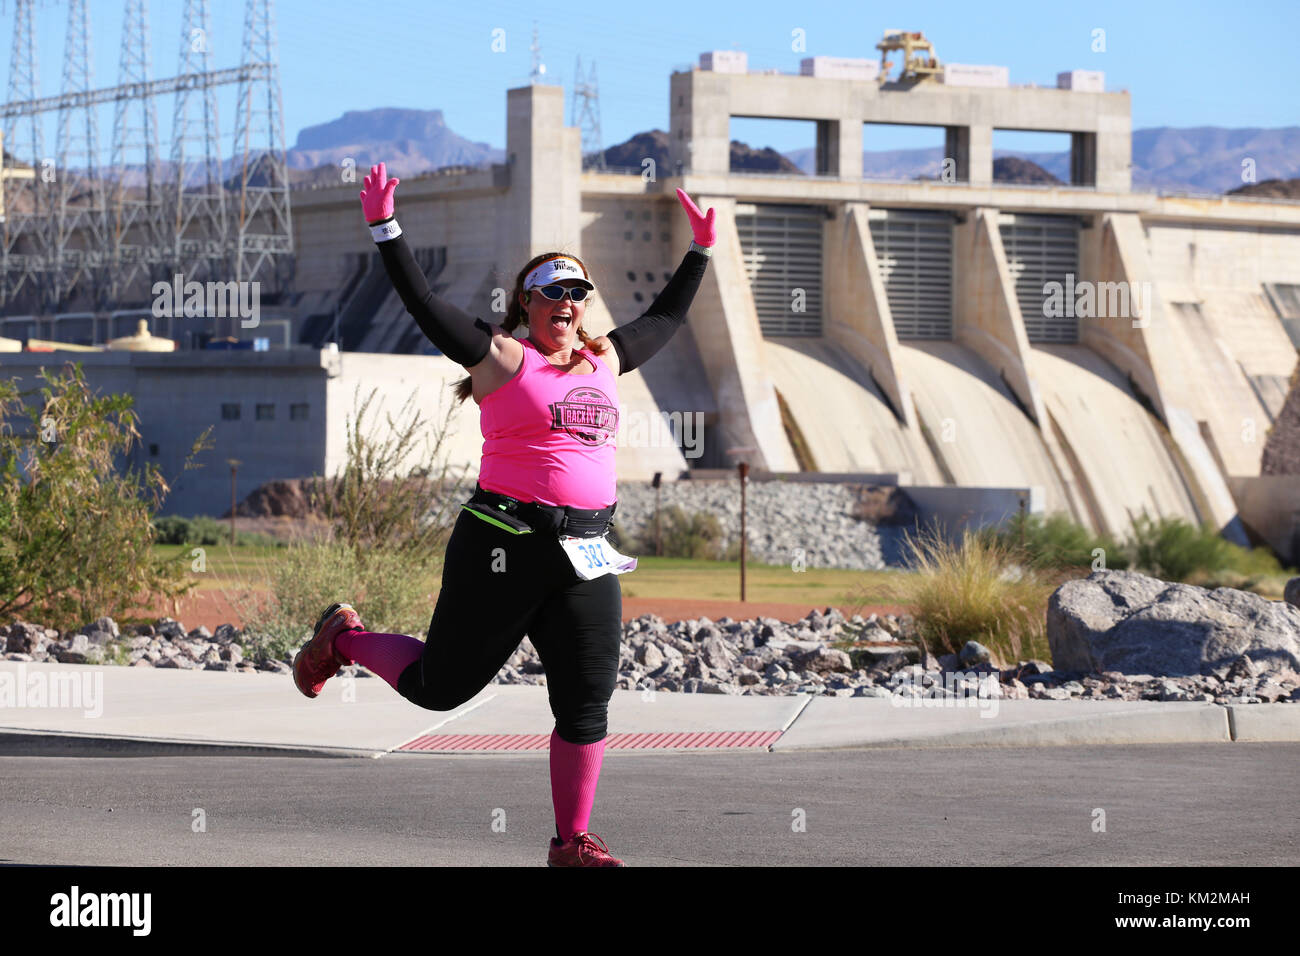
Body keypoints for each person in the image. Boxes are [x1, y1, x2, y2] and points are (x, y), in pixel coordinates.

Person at [292, 162, 716, 867]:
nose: (569, 301)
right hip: (504, 544)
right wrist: (386, 229)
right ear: (528, 301)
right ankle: (343, 642)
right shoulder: (503, 358)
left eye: (578, 291)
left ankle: (570, 842)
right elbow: (425, 305)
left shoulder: (604, 361)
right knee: (438, 689)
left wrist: (698, 251)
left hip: (586, 553)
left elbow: (667, 317)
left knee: (586, 704)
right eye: (553, 290)